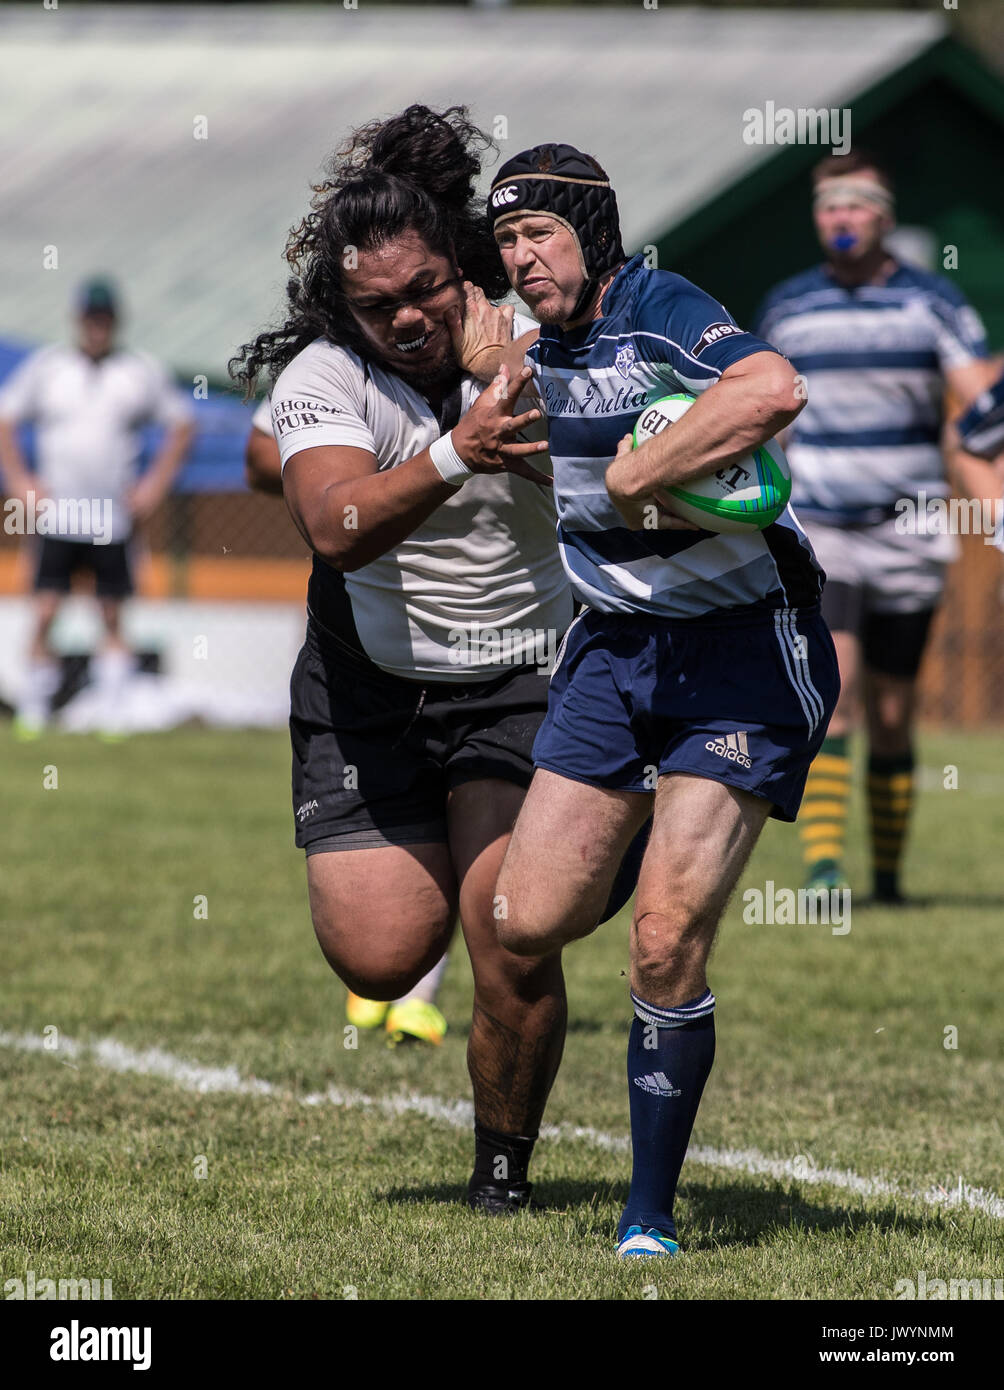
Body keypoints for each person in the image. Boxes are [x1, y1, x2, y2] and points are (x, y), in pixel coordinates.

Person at [467, 141, 837, 1257]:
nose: (521, 258)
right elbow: (568, 473)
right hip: (611, 655)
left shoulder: (657, 305)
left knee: (664, 943)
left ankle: (649, 1212)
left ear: (591, 230)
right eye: (505, 244)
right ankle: (645, 832)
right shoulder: (538, 355)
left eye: (538, 234)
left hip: (736, 647)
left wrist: (642, 470)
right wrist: (498, 396)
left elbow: (774, 387)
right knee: (521, 919)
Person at [231, 105, 590, 1212]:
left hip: (526, 673)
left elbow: (622, 489)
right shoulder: (322, 379)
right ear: (339, 308)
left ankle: (500, 1176)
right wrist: (452, 449)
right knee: (380, 957)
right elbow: (335, 525)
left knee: (510, 934)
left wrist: (519, 403)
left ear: (462, 263)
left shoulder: (548, 343)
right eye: (375, 305)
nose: (407, 318)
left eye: (427, 288)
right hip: (369, 684)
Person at [753, 151, 994, 902]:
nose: (842, 219)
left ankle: (887, 879)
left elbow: (983, 410)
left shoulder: (933, 302)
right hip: (825, 527)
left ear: (884, 216)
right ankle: (824, 872)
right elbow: (764, 415)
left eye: (856, 206)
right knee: (839, 690)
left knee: (893, 713)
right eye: (829, 207)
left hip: (911, 530)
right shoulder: (790, 306)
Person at [243, 393, 454, 1047]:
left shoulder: (512, 341)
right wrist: (337, 475)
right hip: (360, 626)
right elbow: (257, 451)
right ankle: (388, 952)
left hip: (487, 626)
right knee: (389, 790)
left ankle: (420, 989)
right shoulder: (331, 359)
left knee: (472, 799)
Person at [0, 278, 194, 735]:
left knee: (111, 612)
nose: (97, 327)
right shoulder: (48, 368)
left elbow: (182, 424)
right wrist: (21, 482)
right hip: (59, 517)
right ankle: (34, 712)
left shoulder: (138, 371)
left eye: (104, 318)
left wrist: (154, 485)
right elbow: (5, 418)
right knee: (46, 608)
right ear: (78, 319)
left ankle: (112, 714)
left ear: (115, 321)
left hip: (111, 518)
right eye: (91, 317)